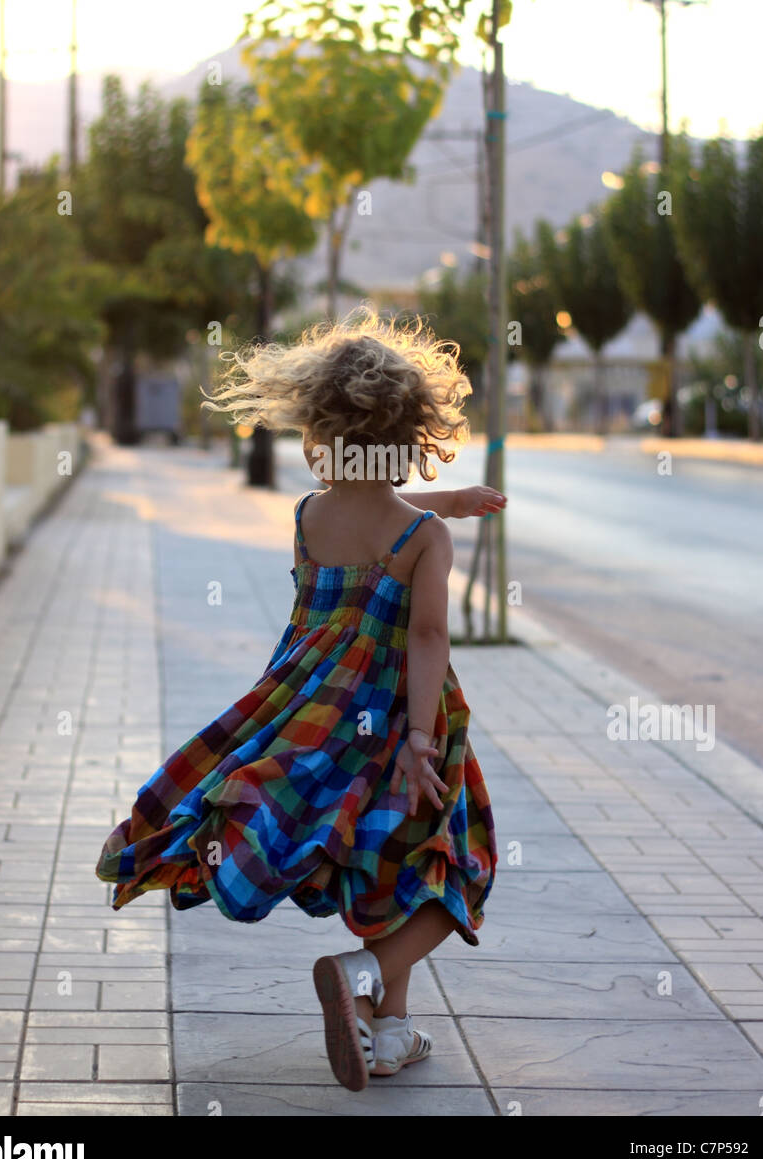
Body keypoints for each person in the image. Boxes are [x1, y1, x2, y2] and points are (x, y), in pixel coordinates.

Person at [96, 305, 502, 1092]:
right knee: (447, 865)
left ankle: (391, 1032)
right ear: (413, 433)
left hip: (313, 718)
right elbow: (424, 637)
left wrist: (445, 505)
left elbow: (370, 524)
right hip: (398, 721)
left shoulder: (309, 516)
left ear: (321, 431)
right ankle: (363, 970)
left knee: (372, 860)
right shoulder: (424, 540)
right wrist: (422, 738)